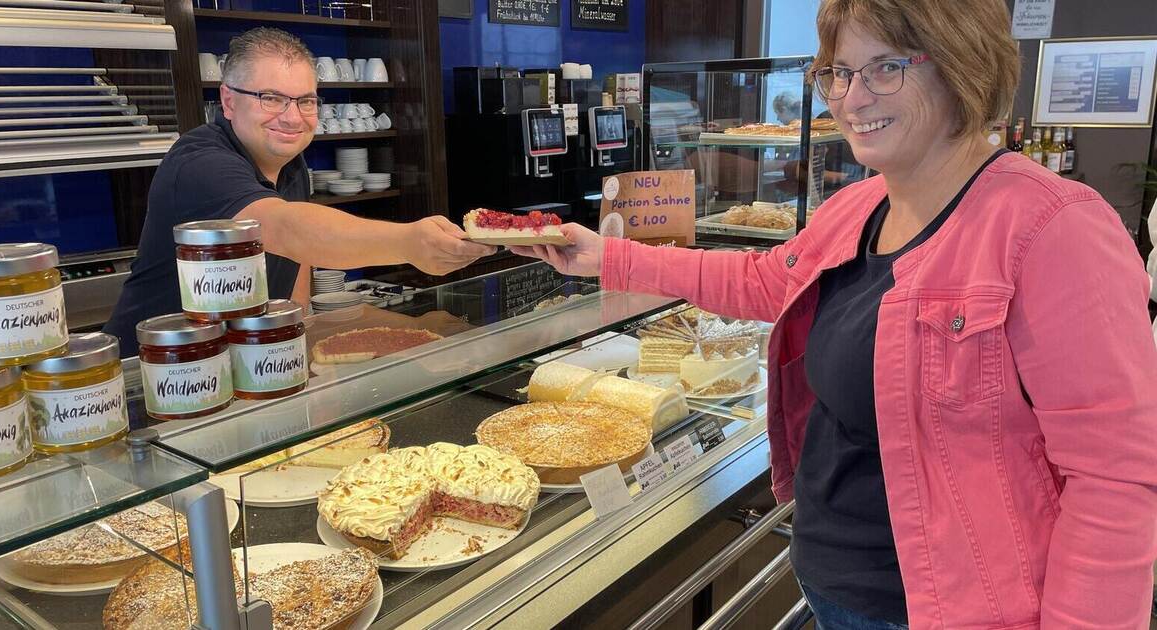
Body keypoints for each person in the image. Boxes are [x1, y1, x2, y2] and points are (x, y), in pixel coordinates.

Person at [513, 0, 1157, 627]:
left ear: (964, 65)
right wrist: (609, 258)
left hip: (950, 608)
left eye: (885, 68)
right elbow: (765, 280)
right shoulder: (858, 207)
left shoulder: (1053, 226)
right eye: (837, 72)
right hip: (834, 580)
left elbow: (1114, 483)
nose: (851, 99)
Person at [105, 28, 494, 356]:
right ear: (228, 100)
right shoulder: (200, 163)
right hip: (155, 371)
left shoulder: (292, 166)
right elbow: (285, 229)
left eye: (305, 100)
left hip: (247, 365)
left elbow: (298, 261)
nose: (292, 117)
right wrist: (410, 242)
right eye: (270, 98)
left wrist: (305, 358)